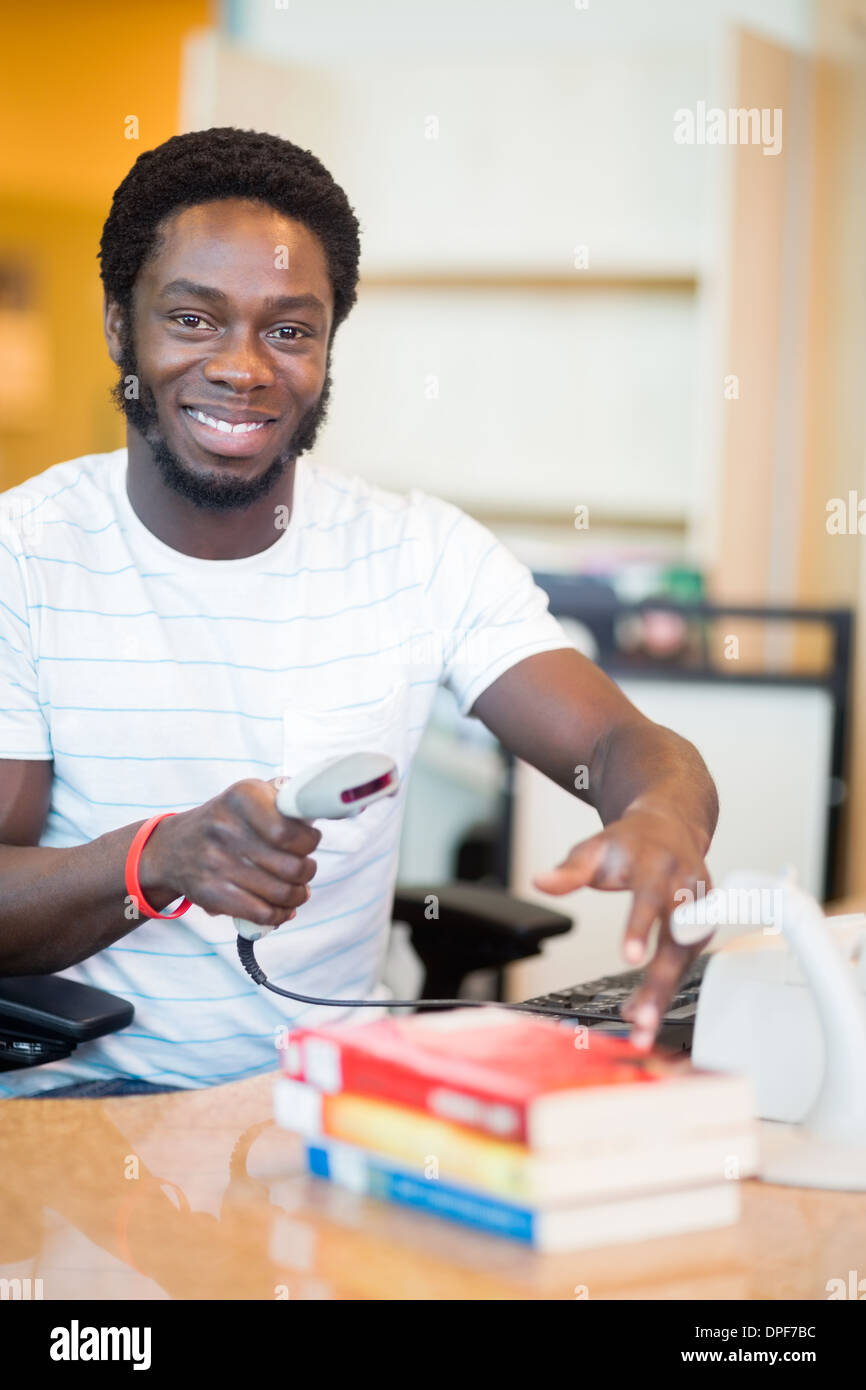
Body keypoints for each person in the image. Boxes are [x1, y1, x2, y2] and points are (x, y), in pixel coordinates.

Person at [0, 128, 717, 1098]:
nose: (244, 367)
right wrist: (158, 856)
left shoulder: (421, 553)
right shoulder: (25, 555)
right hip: (82, 1114)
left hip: (332, 1107)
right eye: (194, 320)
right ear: (121, 327)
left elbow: (622, 742)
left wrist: (661, 813)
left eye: (288, 330)